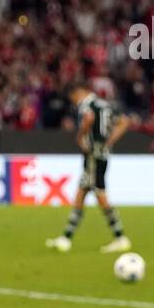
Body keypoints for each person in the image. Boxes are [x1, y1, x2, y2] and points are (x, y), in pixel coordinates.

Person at [46, 82, 131, 253]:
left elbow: (89, 118)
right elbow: (124, 121)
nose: (75, 102)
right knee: (81, 192)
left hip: (93, 154)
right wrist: (110, 141)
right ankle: (66, 238)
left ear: (79, 93)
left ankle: (120, 237)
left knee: (99, 193)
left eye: (74, 98)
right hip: (102, 153)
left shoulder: (87, 105)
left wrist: (80, 137)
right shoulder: (105, 104)